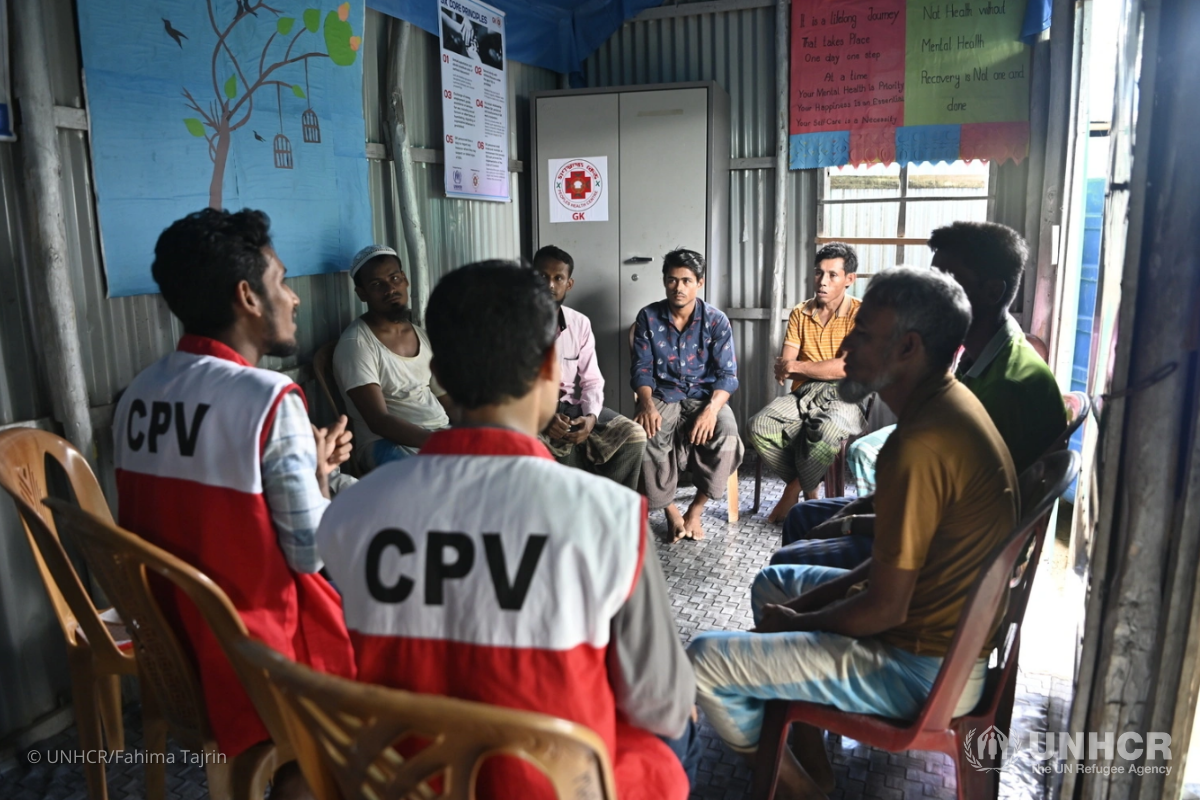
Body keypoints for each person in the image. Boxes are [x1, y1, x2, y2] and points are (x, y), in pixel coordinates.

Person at [318, 262, 697, 800]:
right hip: (551, 787)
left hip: (401, 784)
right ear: (549, 365)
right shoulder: (608, 517)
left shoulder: (353, 513)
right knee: (683, 724)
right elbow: (659, 703)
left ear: (440, 374)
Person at [688, 267, 1018, 799]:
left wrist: (805, 623)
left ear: (908, 347)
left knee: (703, 659)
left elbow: (884, 609)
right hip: (940, 641)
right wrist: (798, 615)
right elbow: (895, 568)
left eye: (863, 333)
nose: (847, 343)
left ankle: (805, 792)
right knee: (773, 586)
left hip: (920, 671)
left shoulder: (921, 446)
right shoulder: (945, 407)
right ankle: (808, 749)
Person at [114, 209, 357, 798]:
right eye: (281, 283)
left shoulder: (139, 392)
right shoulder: (269, 399)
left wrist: (308, 469)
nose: (294, 299)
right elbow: (309, 554)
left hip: (175, 646)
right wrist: (321, 486)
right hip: (257, 658)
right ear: (248, 296)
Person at [775, 222, 1066, 567]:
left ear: (991, 291)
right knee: (803, 518)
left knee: (789, 560)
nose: (929, 293)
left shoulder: (1011, 387)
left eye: (945, 279)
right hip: (931, 520)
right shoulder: (977, 356)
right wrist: (858, 511)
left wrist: (853, 523)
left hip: (951, 555)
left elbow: (944, 518)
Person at [747, 242, 867, 523]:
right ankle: (812, 494)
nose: (822, 282)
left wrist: (797, 366)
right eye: (818, 273)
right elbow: (785, 365)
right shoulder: (801, 312)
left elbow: (844, 368)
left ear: (849, 279)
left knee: (823, 431)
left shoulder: (861, 314)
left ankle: (792, 493)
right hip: (804, 393)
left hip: (846, 396)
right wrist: (791, 368)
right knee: (759, 426)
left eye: (832, 275)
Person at [631, 248, 743, 542]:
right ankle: (670, 513)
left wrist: (710, 410)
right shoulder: (648, 317)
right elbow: (642, 369)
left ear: (700, 282)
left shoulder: (716, 321)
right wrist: (646, 403)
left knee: (727, 431)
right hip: (663, 393)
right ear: (664, 280)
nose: (678, 288)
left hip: (705, 395)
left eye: (686, 280)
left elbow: (728, 376)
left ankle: (695, 511)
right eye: (671, 280)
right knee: (646, 433)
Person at [532, 246, 648, 489]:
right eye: (542, 277)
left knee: (633, 435)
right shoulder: (513, 324)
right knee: (548, 449)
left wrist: (591, 418)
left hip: (575, 409)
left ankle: (610, 509)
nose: (550, 285)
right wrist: (544, 417)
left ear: (569, 284)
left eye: (558, 278)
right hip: (533, 411)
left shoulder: (579, 323)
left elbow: (592, 381)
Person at [334, 245, 453, 472]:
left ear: (405, 280)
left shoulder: (421, 335)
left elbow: (444, 397)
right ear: (361, 293)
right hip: (387, 445)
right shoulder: (357, 344)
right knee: (442, 484)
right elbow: (378, 420)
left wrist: (478, 428)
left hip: (437, 435)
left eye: (395, 278)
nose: (390, 289)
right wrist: (440, 444)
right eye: (377, 285)